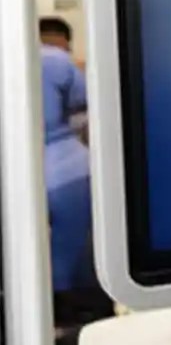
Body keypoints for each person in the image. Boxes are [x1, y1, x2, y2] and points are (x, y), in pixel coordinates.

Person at [39, 18, 94, 293]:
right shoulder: (56, 62)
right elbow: (84, 114)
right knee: (73, 251)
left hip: (37, 173)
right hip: (69, 173)